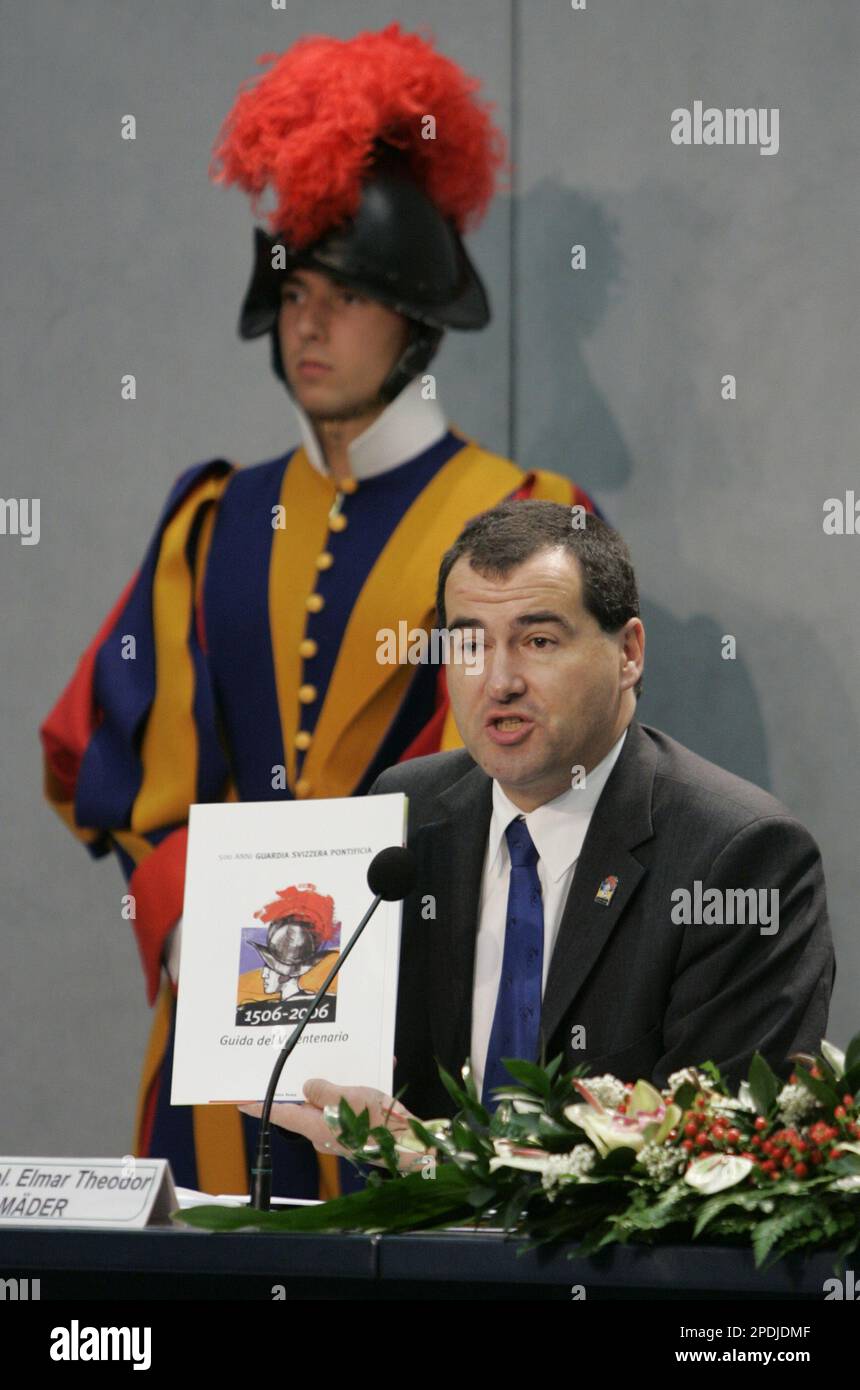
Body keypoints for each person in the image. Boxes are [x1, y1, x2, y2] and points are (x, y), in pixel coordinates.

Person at [38, 25, 600, 1200]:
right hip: (219, 1032)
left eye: (347, 296)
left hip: (430, 1024)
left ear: (414, 320)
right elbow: (112, 751)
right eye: (294, 290)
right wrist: (189, 908)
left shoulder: (530, 515)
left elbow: (574, 775)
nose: (310, 322)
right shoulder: (209, 518)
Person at [246, 501, 835, 1163]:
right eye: (469, 643)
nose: (499, 682)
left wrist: (438, 1160)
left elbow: (718, 1158)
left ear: (629, 654)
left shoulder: (740, 857)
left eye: (539, 641)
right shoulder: (406, 816)